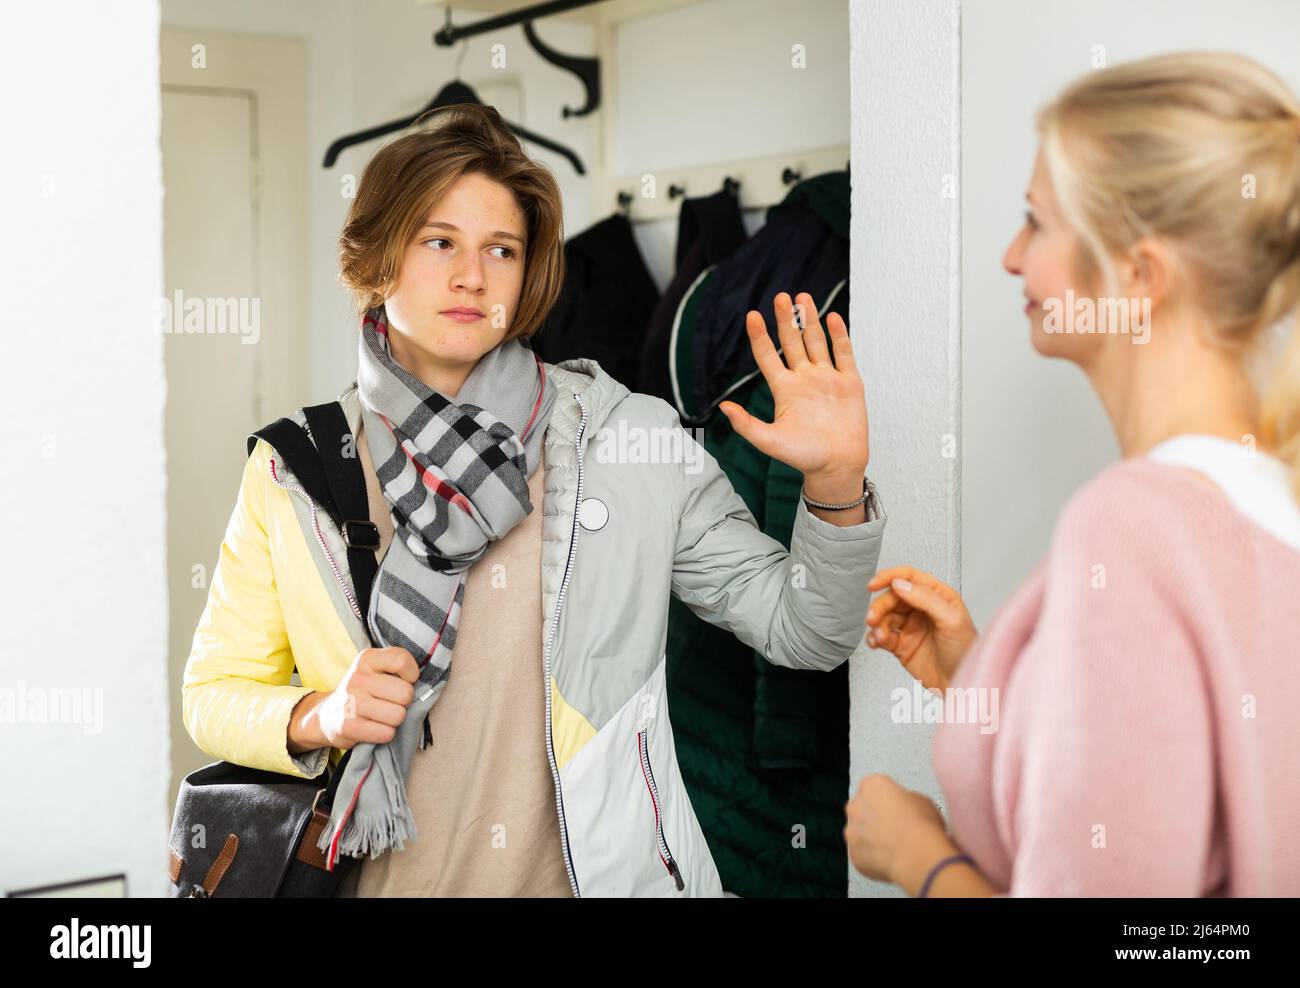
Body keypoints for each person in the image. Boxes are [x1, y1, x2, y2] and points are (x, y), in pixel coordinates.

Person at [181, 103, 886, 897]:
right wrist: (321, 715)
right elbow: (213, 696)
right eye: (438, 240)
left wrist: (832, 486)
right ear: (379, 258)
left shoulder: (628, 439)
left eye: (502, 250)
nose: (471, 276)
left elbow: (808, 632)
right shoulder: (298, 467)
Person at [847, 51, 1300, 897]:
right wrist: (984, 679)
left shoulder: (1134, 527)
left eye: (1036, 221)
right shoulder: (1267, 503)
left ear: (1137, 276)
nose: (1013, 258)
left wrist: (917, 857)